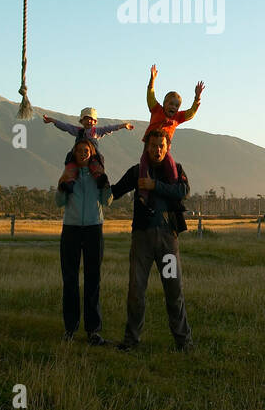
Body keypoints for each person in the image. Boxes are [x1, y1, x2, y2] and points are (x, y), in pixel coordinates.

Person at [111, 129, 194, 352]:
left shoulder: (175, 171)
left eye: (161, 145)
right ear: (146, 147)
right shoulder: (137, 172)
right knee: (136, 290)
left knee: (173, 290)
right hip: (142, 239)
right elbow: (115, 191)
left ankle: (183, 343)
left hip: (167, 239)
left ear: (167, 147)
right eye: (153, 145)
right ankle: (131, 341)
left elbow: (183, 191)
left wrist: (154, 186)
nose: (157, 149)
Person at [54, 138, 112, 345]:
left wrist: (105, 185)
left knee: (92, 280)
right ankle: (70, 328)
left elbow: (107, 201)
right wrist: (61, 186)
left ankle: (93, 330)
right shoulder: (69, 175)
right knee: (70, 280)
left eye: (86, 149)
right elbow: (59, 203)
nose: (83, 153)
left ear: (92, 152)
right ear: (74, 153)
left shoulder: (97, 175)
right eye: (79, 150)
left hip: (94, 228)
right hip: (71, 228)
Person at [139, 64, 204, 201]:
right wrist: (152, 80)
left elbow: (191, 113)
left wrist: (197, 98)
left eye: (176, 105)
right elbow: (150, 95)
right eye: (170, 104)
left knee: (171, 166)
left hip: (164, 148)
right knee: (144, 163)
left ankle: (173, 189)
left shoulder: (177, 117)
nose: (173, 107)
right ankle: (143, 195)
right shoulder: (156, 109)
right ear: (164, 103)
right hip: (149, 145)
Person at [44, 107, 133, 191]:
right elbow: (66, 127)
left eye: (91, 119)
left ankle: (100, 181)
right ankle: (69, 183)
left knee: (96, 165)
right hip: (77, 155)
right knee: (71, 165)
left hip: (92, 156)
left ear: (95, 122)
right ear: (82, 121)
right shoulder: (78, 130)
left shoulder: (97, 131)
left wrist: (123, 125)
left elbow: (110, 128)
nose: (89, 121)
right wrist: (53, 121)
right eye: (86, 119)